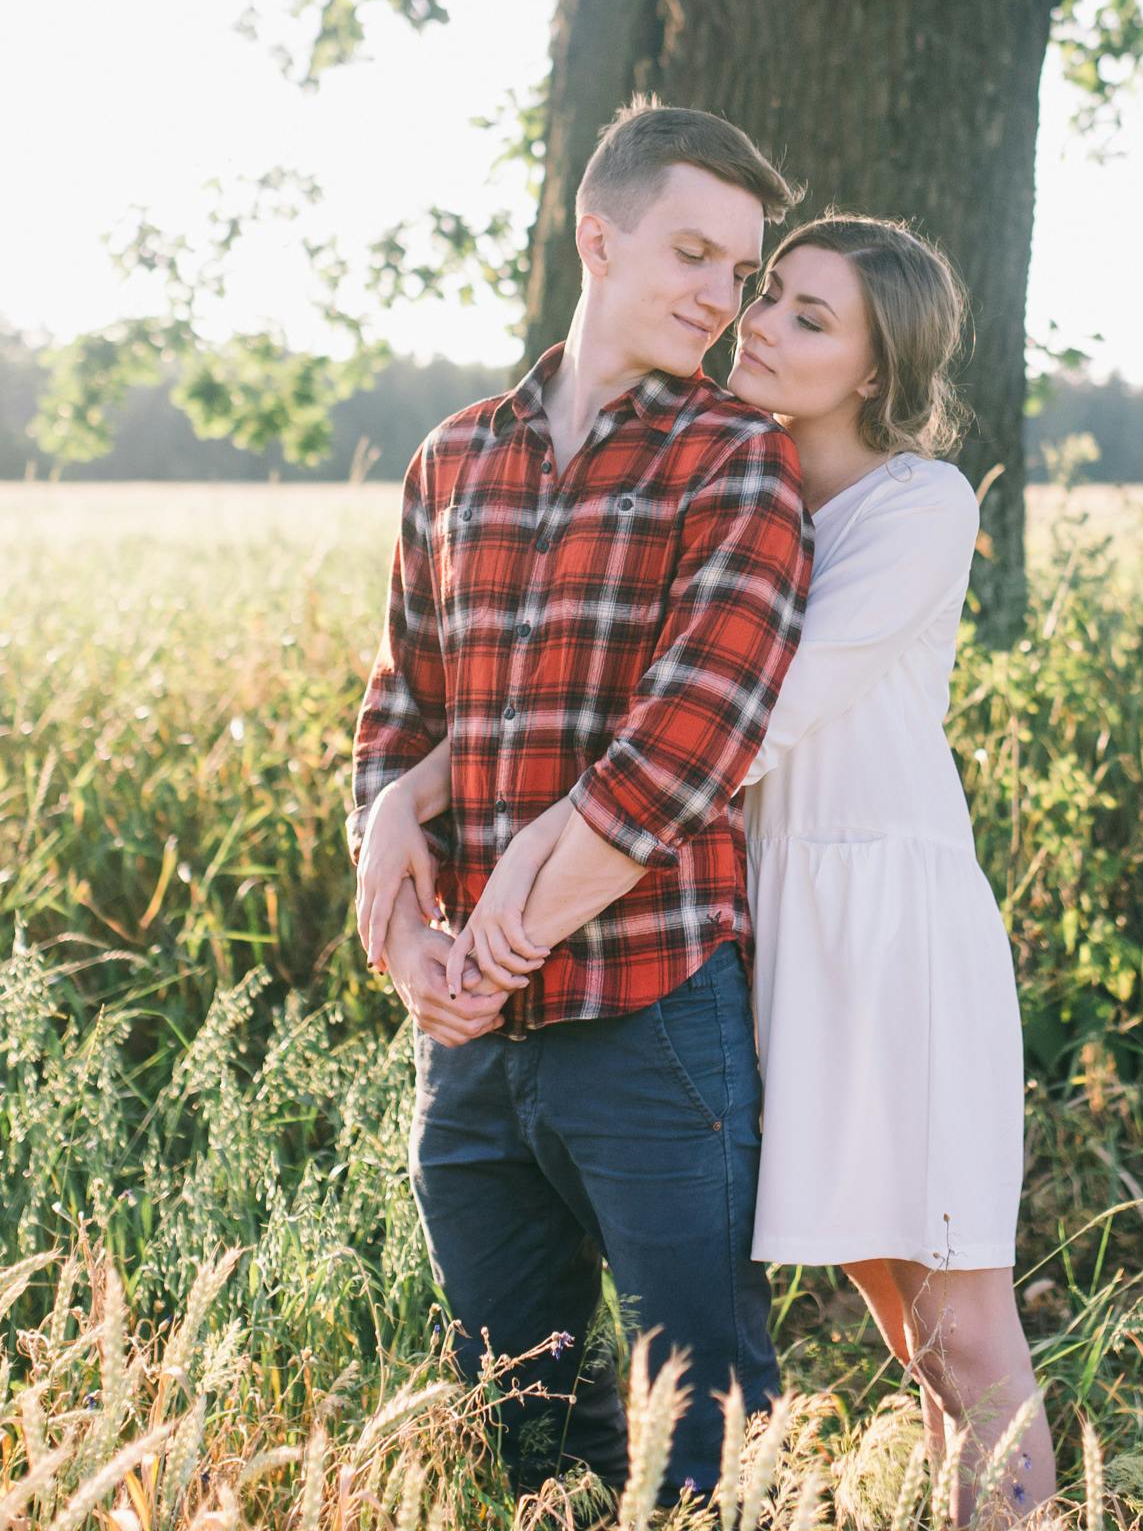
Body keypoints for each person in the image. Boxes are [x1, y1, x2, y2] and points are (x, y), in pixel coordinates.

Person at [365, 214, 1051, 1521]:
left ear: (875, 367)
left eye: (809, 316)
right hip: (761, 931)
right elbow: (610, 695)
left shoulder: (921, 506)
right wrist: (420, 781)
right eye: (766, 294)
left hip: (884, 927)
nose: (760, 326)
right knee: (906, 1335)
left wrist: (474, 824)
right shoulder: (738, 482)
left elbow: (737, 709)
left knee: (964, 1328)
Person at [348, 100, 810, 1500]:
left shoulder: (737, 461)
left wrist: (492, 948)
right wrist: (410, 942)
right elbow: (401, 717)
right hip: (469, 1054)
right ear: (593, 236)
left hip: (654, 1019)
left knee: (704, 1432)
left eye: (738, 273)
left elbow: (685, 747)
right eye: (689, 253)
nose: (716, 299)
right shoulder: (453, 459)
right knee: (523, 1435)